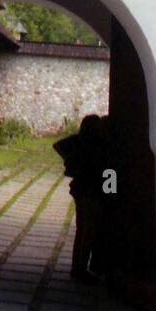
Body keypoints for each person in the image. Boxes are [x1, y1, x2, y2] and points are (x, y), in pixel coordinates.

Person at [54, 114, 111, 283]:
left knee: (81, 230)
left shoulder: (80, 142)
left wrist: (69, 160)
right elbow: (109, 170)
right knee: (89, 231)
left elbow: (58, 145)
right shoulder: (100, 146)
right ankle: (81, 268)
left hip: (81, 190)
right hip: (92, 192)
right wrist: (111, 192)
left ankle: (77, 266)